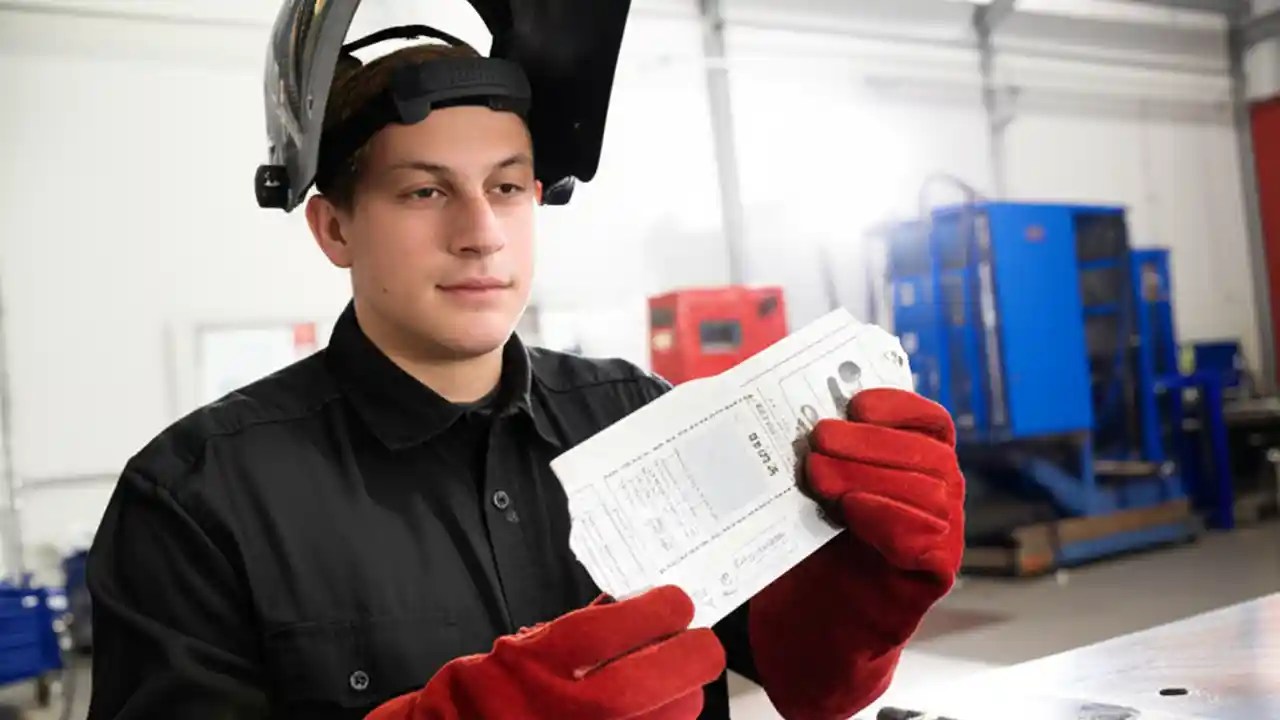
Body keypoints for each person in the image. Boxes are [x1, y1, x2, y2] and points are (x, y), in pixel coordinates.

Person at [86, 5, 965, 720]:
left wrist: (860, 592)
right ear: (335, 228)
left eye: (507, 186)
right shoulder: (196, 499)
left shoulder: (644, 419)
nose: (479, 233)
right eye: (425, 191)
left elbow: (807, 682)